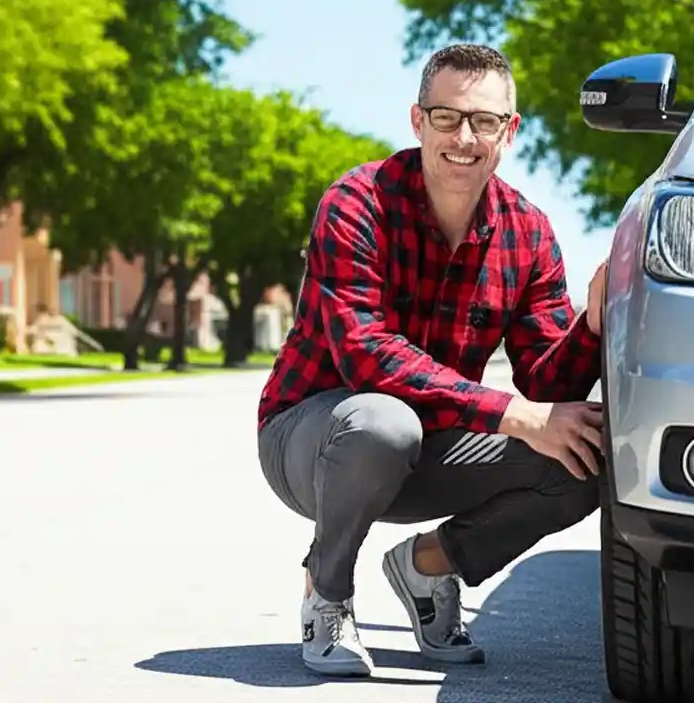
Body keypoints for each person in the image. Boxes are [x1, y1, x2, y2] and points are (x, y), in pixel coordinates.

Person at [255, 43, 609, 677]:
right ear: (418, 121)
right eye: (446, 118)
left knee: (585, 452)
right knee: (384, 421)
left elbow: (547, 383)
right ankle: (326, 591)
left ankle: (428, 568)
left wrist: (594, 321)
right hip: (312, 439)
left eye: (484, 121)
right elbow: (366, 357)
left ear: (510, 131)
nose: (464, 137)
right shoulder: (356, 204)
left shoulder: (527, 234)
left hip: (430, 440)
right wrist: (514, 415)